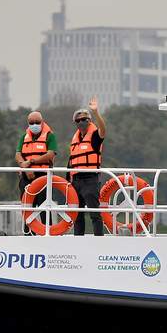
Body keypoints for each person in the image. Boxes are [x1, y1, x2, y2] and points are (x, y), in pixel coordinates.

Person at [67, 96, 107, 236]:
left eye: (84, 119)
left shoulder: (95, 137)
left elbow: (103, 129)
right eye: (78, 120)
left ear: (90, 121)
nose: (81, 122)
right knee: (77, 215)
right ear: (74, 123)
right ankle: (79, 241)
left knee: (95, 213)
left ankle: (98, 241)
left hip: (90, 179)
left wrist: (95, 112)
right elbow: (71, 161)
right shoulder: (76, 139)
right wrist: (69, 180)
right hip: (76, 181)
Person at [14, 111, 56, 236]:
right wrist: (26, 167)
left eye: (37, 122)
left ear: (42, 122)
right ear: (28, 123)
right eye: (31, 123)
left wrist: (31, 161)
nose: (34, 125)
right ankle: (28, 235)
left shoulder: (50, 136)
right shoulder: (24, 137)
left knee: (44, 207)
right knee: (28, 206)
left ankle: (47, 234)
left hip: (43, 175)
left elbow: (50, 154)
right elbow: (18, 155)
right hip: (26, 176)